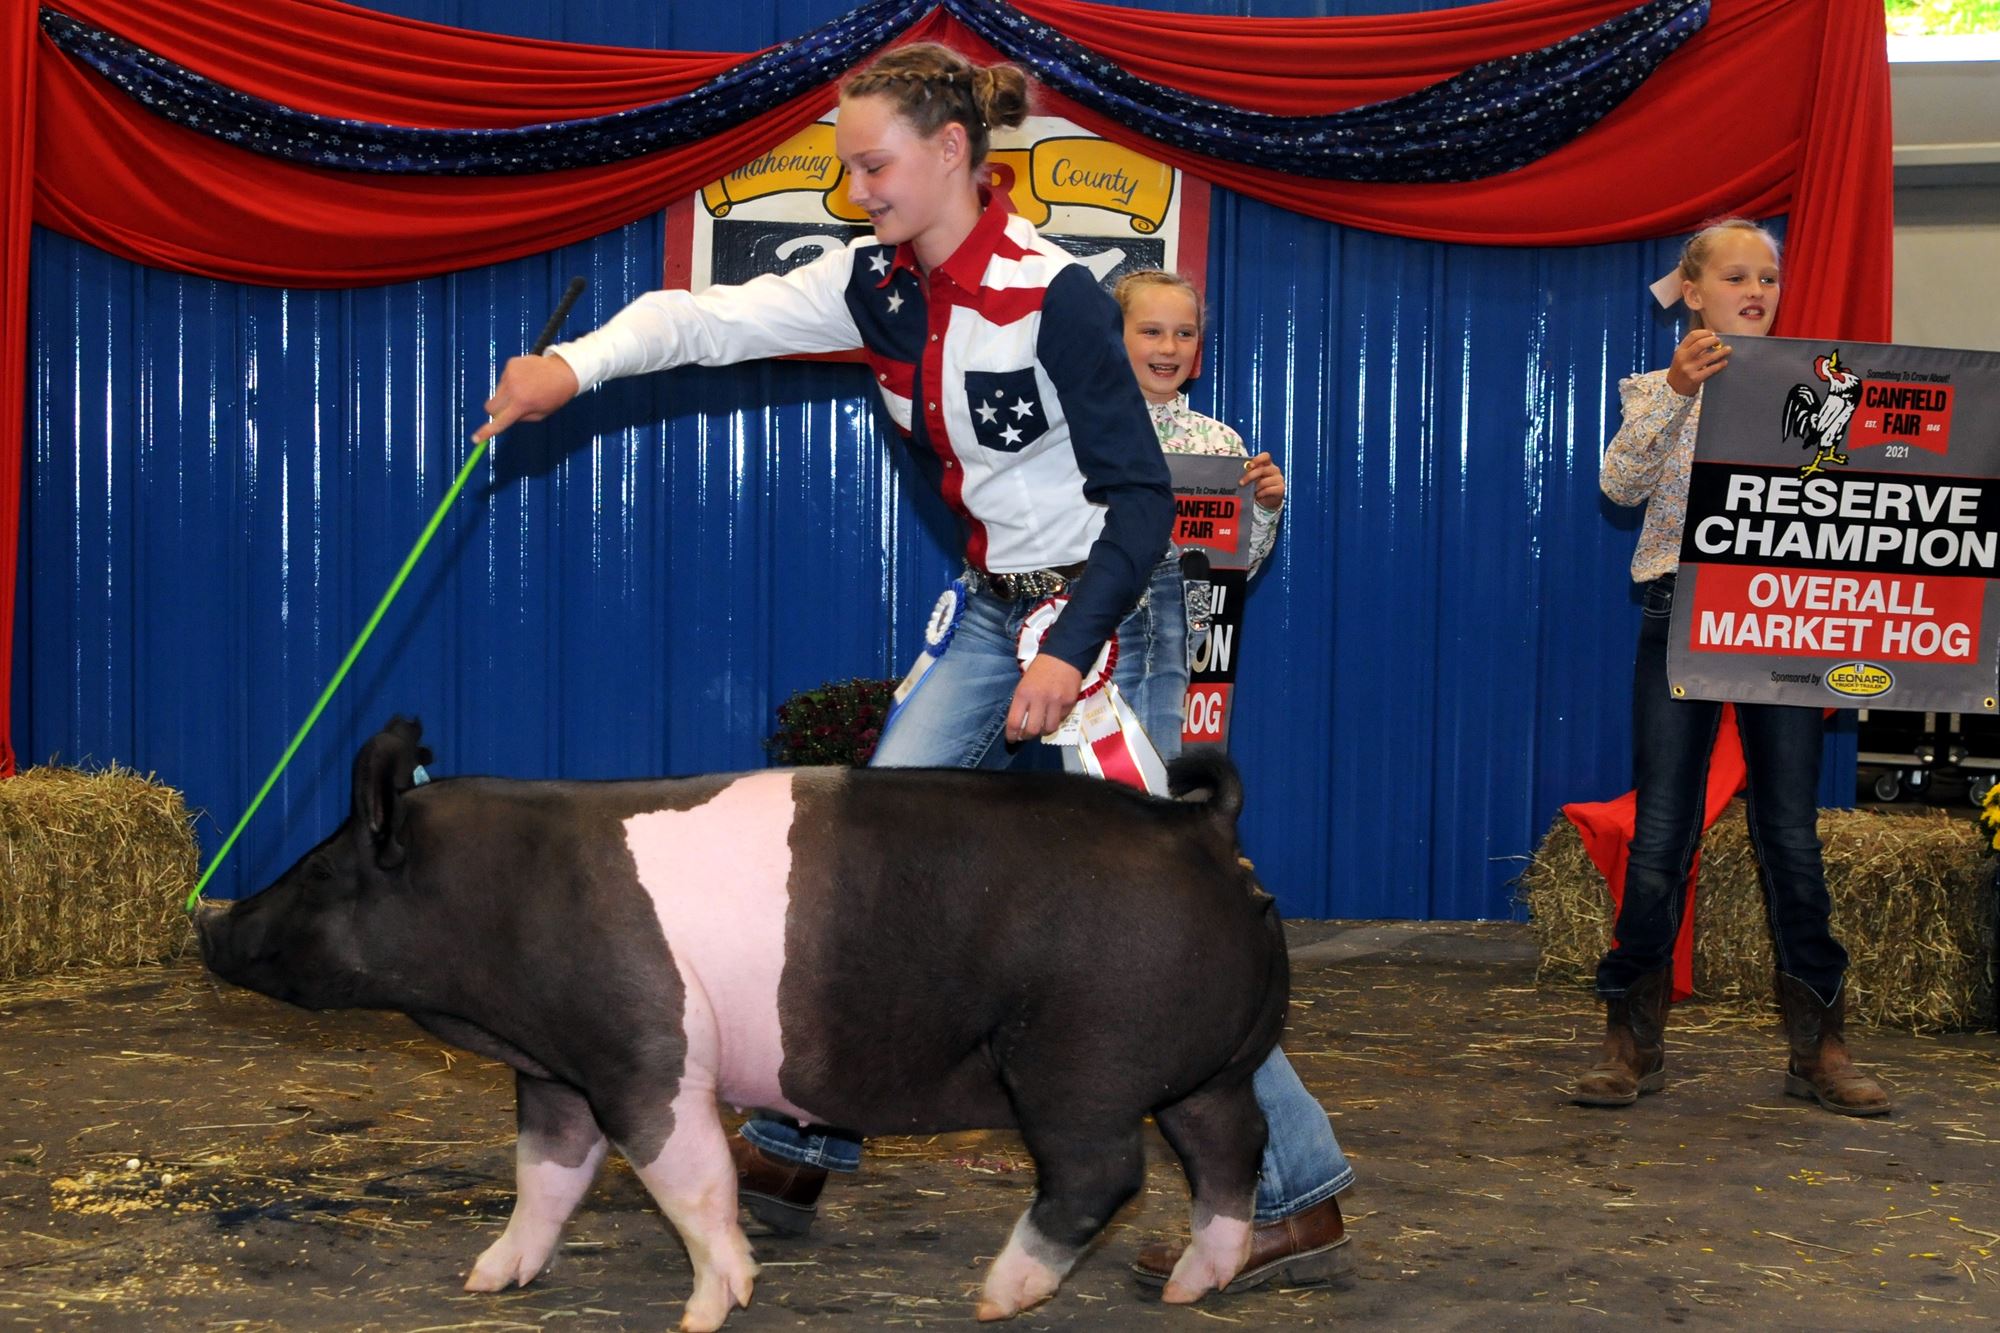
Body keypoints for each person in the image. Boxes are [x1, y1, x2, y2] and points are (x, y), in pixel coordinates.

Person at [482, 41, 1339, 1286]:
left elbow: (1142, 504)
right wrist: (574, 366)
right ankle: (802, 1131)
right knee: (860, 851)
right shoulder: (874, 287)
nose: (855, 189)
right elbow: (699, 320)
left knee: (1162, 917)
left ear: (949, 154)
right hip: (993, 613)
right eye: (845, 168)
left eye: (872, 164)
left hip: (1104, 608)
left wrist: (1075, 647)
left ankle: (1296, 1188)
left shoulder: (1056, 298)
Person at [1577, 218, 1891, 1116]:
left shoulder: (1820, 391)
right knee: (1665, 829)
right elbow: (1618, 485)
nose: (1757, 289)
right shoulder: (1654, 385)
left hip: (1783, 625)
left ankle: (1820, 1044)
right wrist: (1677, 393)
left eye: (1769, 276)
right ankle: (1629, 1038)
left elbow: (1856, 500)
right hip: (1680, 616)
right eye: (1737, 276)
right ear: (1697, 291)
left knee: (1790, 831)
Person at [1110, 269, 1353, 1291]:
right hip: (1070, 675)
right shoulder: (1071, 422)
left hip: (1145, 689)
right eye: (1148, 329)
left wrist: (1260, 511)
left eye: (1181, 333)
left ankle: (1293, 1192)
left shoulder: (1210, 444)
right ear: (1111, 338)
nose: (1166, 346)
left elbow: (1222, 581)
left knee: (1168, 951)